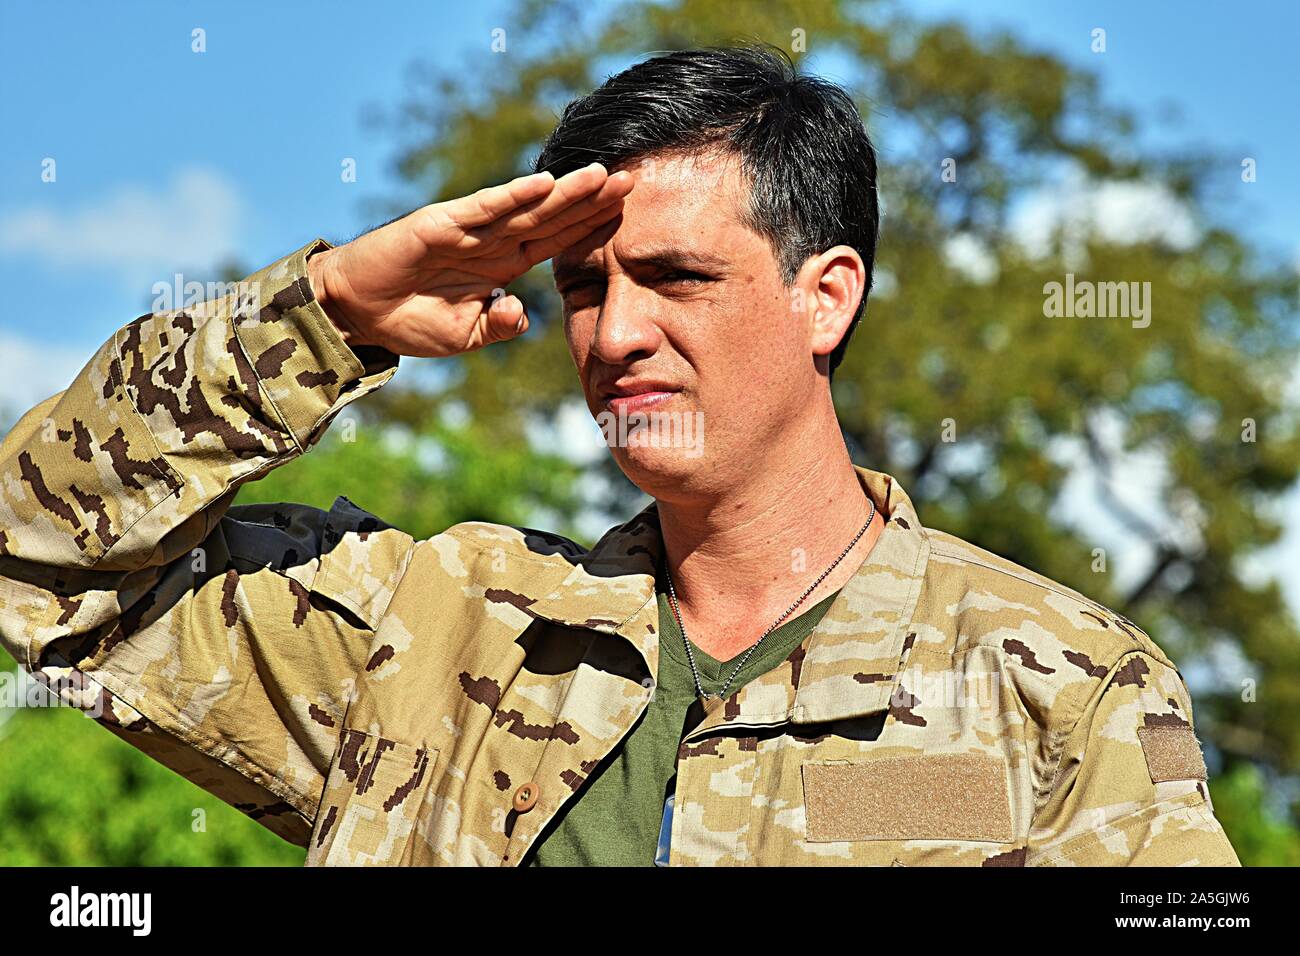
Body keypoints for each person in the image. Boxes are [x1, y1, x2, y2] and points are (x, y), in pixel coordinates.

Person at [0, 46, 1239, 866]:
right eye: (583, 284)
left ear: (827, 297)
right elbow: (39, 555)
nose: (617, 331)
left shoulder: (1064, 689)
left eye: (678, 278)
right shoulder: (431, 633)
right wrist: (325, 313)